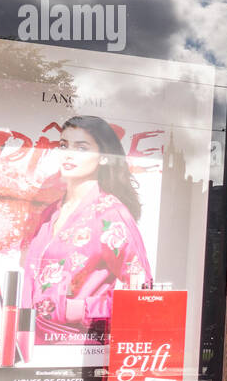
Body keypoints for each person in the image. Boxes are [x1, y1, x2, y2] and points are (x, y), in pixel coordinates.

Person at [21, 116, 151, 345]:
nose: (68, 154)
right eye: (64, 145)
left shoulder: (110, 216)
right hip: (30, 342)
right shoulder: (50, 213)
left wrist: (77, 309)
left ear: (103, 157)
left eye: (81, 147)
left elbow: (143, 294)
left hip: (77, 349)